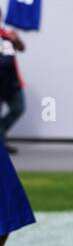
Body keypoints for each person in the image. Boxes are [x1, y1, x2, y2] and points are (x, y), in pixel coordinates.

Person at [0, 22, 25, 154]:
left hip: (12, 81)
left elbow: (21, 48)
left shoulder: (7, 34)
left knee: (18, 108)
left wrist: (16, 40)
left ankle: (1, 134)